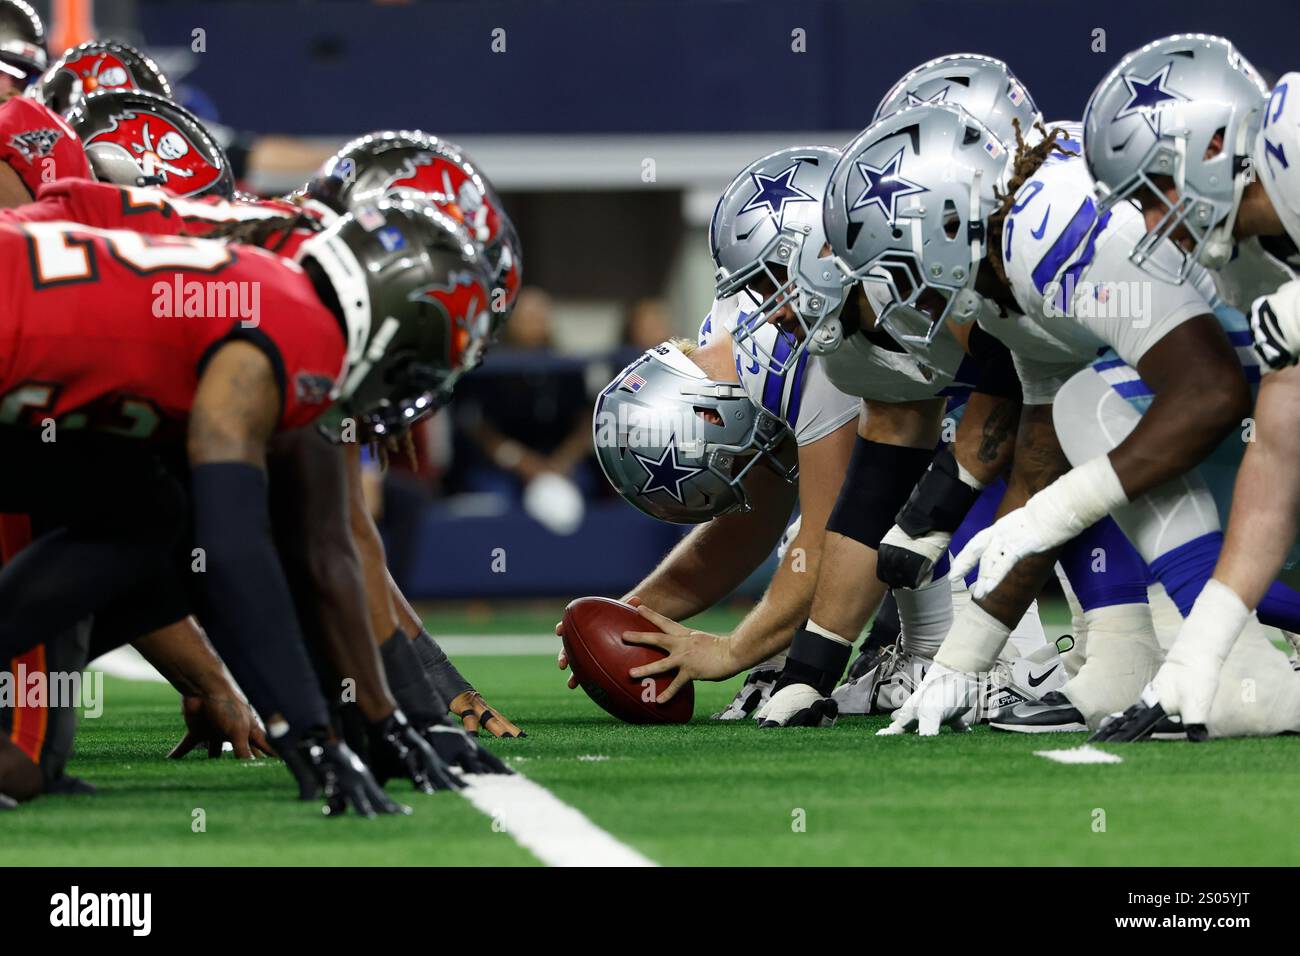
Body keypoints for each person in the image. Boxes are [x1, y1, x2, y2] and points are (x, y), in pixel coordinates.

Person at [1079, 34, 1300, 739]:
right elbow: (1276, 452)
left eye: (1152, 191)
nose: (1149, 222)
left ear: (1212, 148)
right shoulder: (1244, 253)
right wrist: (1200, 652)